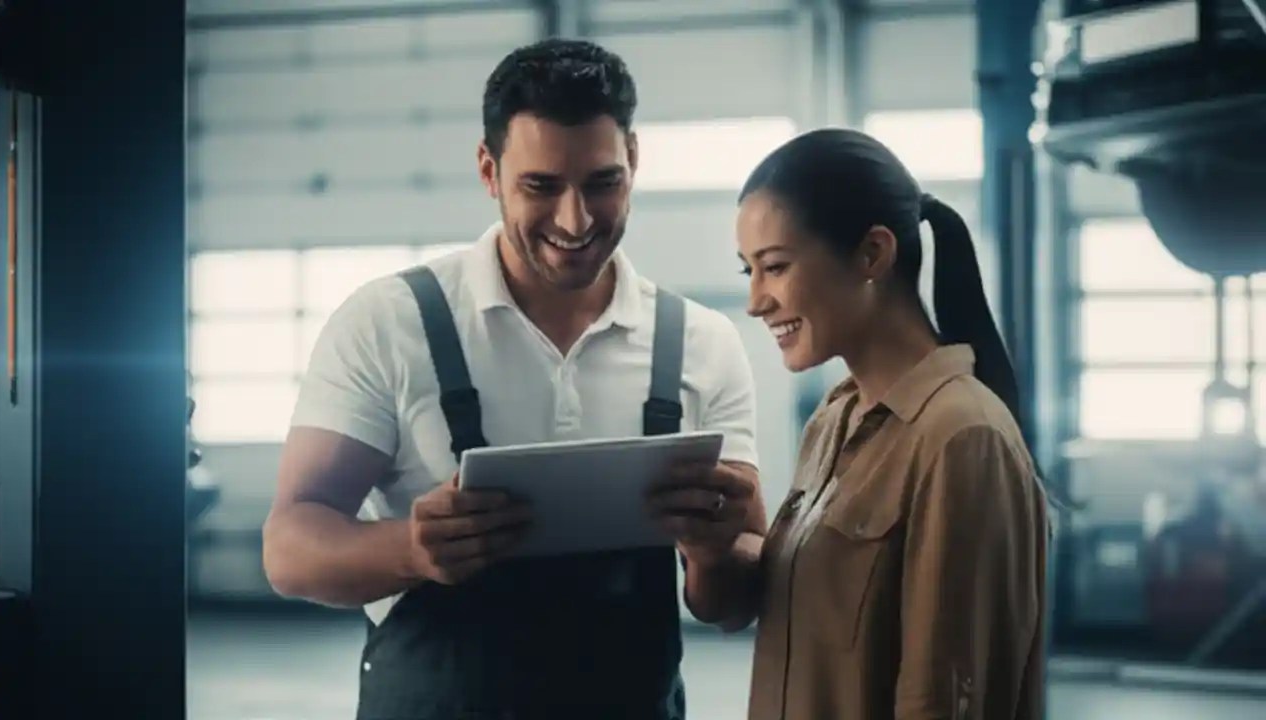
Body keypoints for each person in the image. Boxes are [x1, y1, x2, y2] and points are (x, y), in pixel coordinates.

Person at [261, 38, 767, 720]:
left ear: (635, 160)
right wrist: (409, 548)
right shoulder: (388, 322)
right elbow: (290, 549)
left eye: (602, 183)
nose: (575, 221)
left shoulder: (702, 346)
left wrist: (712, 555)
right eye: (541, 186)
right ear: (487, 169)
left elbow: (735, 599)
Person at [732, 128, 1050, 720]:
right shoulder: (833, 421)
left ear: (873, 254)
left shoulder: (961, 436)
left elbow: (949, 697)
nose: (755, 301)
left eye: (774, 267)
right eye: (747, 270)